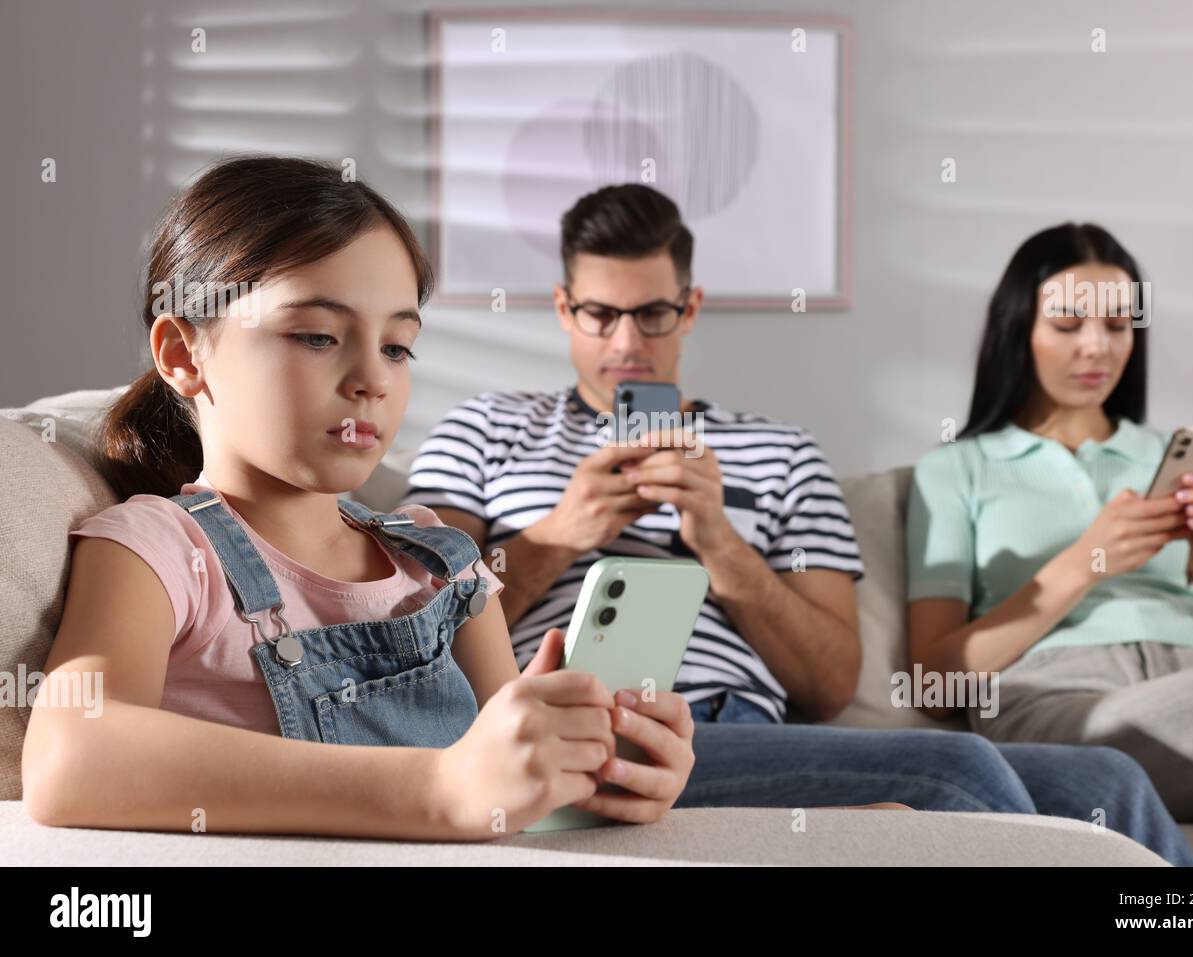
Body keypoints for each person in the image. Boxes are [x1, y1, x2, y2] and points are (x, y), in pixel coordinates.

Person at [404, 185, 1193, 863]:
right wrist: (555, 536)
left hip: (734, 729)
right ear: (562, 308)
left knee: (1109, 781)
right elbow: (416, 629)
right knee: (955, 774)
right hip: (553, 719)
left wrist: (722, 546)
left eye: (651, 313)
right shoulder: (485, 429)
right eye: (600, 314)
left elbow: (828, 685)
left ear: (690, 308)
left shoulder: (781, 453)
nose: (626, 343)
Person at [22, 156, 695, 840]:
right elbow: (67, 756)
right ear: (183, 355)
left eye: (398, 347)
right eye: (317, 335)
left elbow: (515, 804)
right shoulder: (162, 548)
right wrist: (439, 788)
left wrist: (594, 773)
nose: (372, 377)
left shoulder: (442, 563)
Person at [906, 221, 1193, 847]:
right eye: (1068, 326)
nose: (1097, 348)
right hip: (1067, 703)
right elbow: (932, 682)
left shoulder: (1182, 460)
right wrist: (1085, 564)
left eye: (1118, 326)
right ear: (1019, 331)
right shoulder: (955, 469)